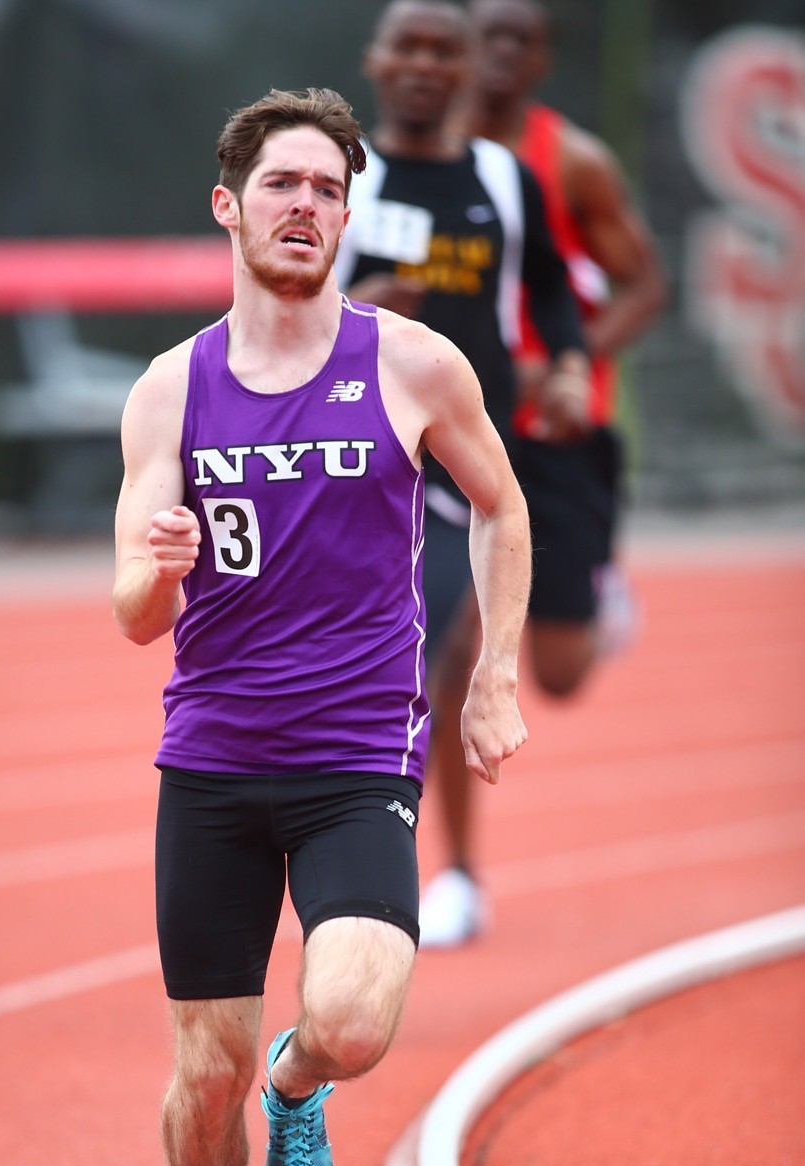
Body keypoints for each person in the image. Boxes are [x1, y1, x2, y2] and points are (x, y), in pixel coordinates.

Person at [113, 86, 531, 1166]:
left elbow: (503, 510)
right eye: (284, 185)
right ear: (230, 207)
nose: (306, 207)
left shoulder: (407, 362)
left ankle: (300, 1088)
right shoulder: (169, 390)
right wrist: (164, 565)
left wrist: (492, 676)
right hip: (213, 763)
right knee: (202, 1071)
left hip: (356, 757)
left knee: (348, 1021)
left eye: (328, 191)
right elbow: (132, 611)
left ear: (348, 218)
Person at [335, 0, 594, 947]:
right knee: (390, 669)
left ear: (466, 68)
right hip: (365, 466)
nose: (425, 65)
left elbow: (555, 296)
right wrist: (353, 305)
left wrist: (564, 367)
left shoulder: (499, 176)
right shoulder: (340, 175)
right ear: (375, 59)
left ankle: (453, 878)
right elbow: (282, 308)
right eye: (407, 45)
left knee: (449, 663)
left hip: (477, 457)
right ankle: (384, 864)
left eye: (445, 50)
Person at [415, 0, 669, 945]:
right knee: (448, 653)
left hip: (554, 438)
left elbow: (643, 283)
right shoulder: (401, 165)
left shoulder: (572, 164)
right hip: (446, 441)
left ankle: (595, 591)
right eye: (478, 36)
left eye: (517, 38)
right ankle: (460, 880)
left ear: (539, 59)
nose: (493, 56)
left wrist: (569, 362)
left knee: (556, 673)